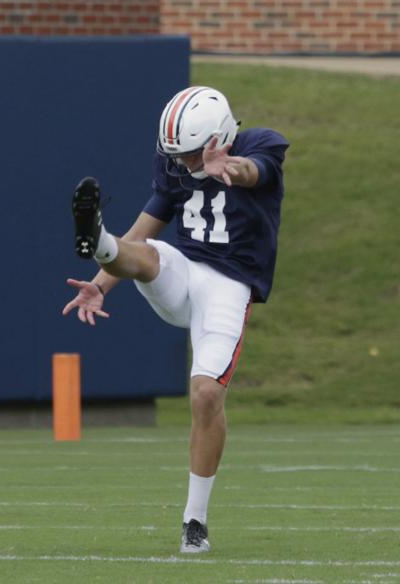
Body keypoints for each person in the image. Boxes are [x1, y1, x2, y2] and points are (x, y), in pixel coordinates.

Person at [63, 85, 289, 553]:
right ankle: (97, 234)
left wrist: (227, 166)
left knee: (206, 394)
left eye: (190, 154)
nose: (184, 163)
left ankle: (194, 521)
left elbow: (252, 173)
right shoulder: (173, 166)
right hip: (185, 273)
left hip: (230, 286)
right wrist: (100, 284)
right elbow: (147, 226)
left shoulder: (259, 146)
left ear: (221, 134)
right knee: (146, 254)